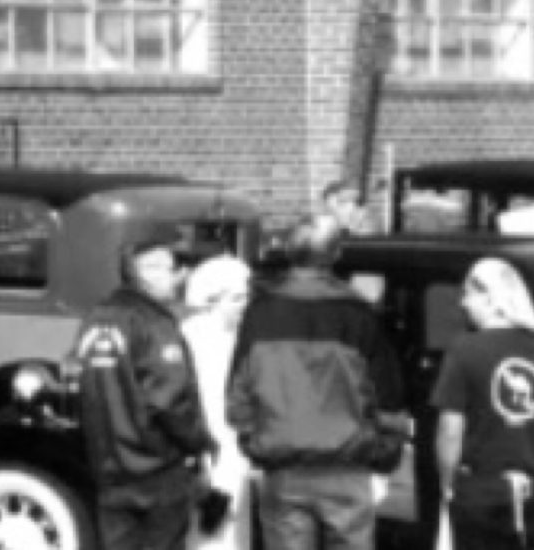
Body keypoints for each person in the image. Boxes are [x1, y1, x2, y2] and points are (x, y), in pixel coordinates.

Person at [227, 215, 409, 550]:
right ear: (335, 255)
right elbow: (387, 393)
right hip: (346, 462)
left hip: (283, 461)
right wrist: (385, 449)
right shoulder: (358, 314)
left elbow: (239, 390)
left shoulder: (260, 313)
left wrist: (252, 441)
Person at [71, 223, 216, 550]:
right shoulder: (154, 323)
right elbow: (169, 400)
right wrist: (200, 443)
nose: (178, 275)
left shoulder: (95, 318)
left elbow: (80, 380)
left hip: (107, 468)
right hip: (156, 470)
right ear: (146, 272)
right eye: (170, 267)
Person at [432, 257, 534, 549]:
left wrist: (447, 486)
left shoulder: (465, 349)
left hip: (482, 494)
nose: (463, 303)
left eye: (468, 294)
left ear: (491, 298)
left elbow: (450, 430)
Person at [181, 256, 254, 550]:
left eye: (247, 296)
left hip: (235, 450)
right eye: (236, 298)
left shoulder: (239, 337)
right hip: (207, 450)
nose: (245, 303)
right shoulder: (194, 336)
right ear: (212, 300)